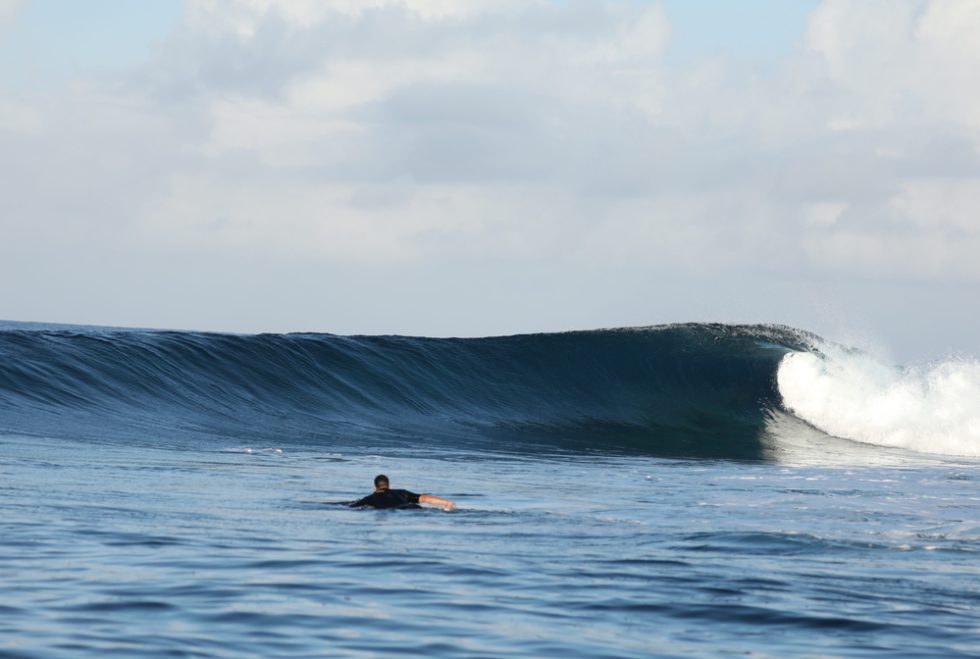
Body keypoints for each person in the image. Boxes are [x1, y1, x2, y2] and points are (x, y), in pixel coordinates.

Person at [350, 474, 456, 511]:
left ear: (375, 487)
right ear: (388, 485)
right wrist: (446, 502)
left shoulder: (368, 499)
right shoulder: (402, 493)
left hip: (397, 511)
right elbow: (425, 498)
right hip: (410, 508)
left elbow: (352, 507)